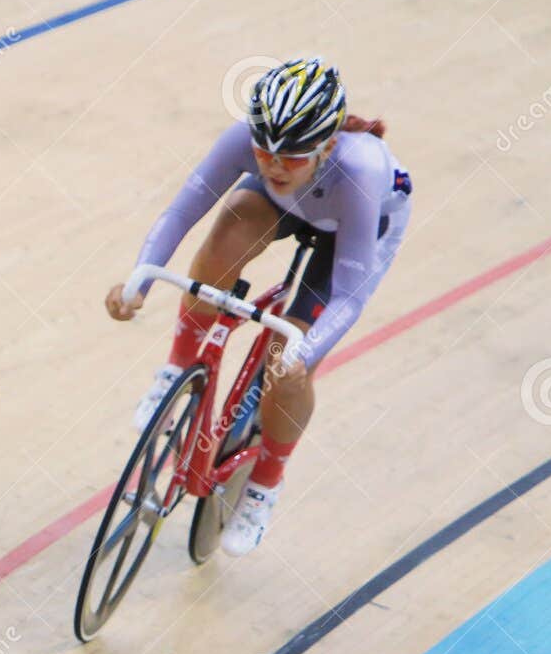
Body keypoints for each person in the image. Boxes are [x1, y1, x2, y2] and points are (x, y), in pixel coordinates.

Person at [106, 56, 411, 555]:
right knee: (228, 228)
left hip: (355, 228)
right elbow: (182, 211)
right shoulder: (249, 143)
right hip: (290, 203)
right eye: (264, 151)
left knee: (284, 364)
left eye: (291, 157)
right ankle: (176, 368)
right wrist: (139, 279)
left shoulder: (361, 169)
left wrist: (301, 354)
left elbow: (349, 295)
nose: (273, 165)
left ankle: (265, 483)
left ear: (328, 145)